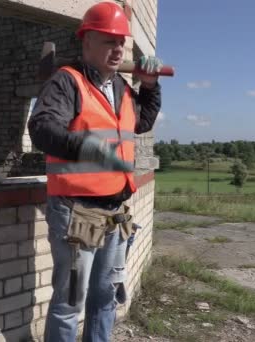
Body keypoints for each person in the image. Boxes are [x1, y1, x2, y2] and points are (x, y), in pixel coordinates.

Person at [27, 2, 163, 341]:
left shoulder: (120, 87)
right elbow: (42, 128)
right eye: (108, 41)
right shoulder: (67, 82)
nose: (118, 50)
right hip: (76, 213)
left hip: (116, 212)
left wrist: (149, 86)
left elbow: (141, 122)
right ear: (86, 41)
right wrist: (86, 146)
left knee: (105, 297)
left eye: (122, 43)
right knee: (71, 301)